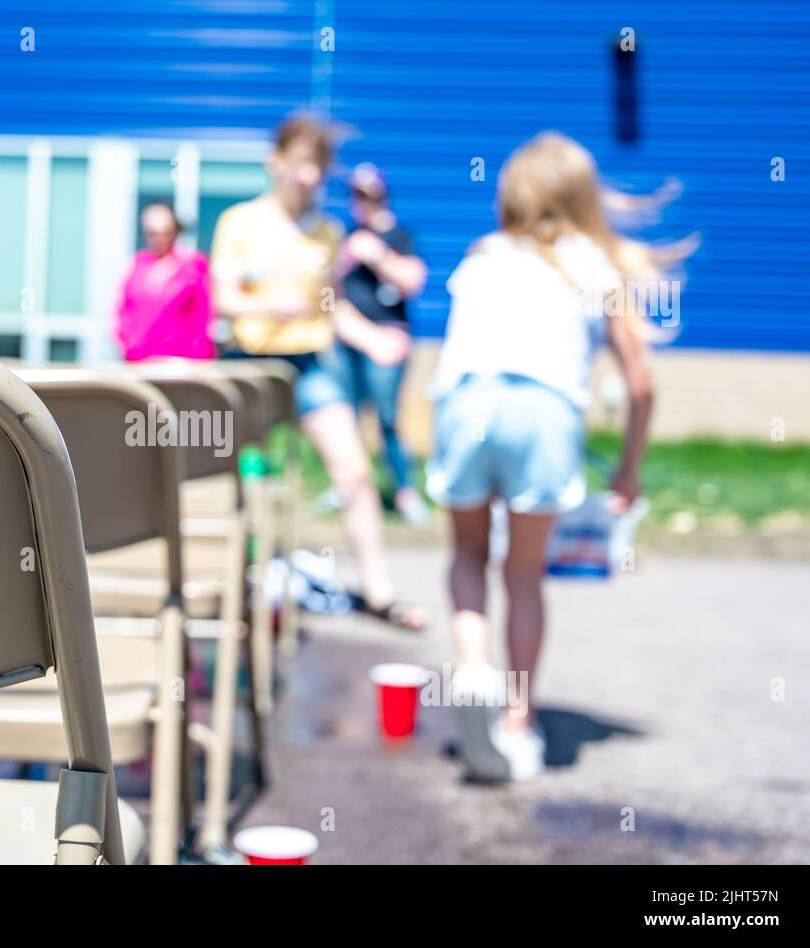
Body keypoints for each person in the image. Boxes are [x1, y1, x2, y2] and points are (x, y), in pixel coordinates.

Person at [428, 132, 687, 781]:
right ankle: (517, 718)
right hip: (543, 413)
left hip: (465, 402)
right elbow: (642, 383)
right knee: (522, 574)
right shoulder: (596, 264)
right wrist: (627, 470)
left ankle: (472, 666)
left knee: (465, 551)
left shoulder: (483, 253)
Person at [211, 115, 426, 630]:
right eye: (301, 165)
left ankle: (378, 590)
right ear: (276, 162)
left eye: (319, 168)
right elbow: (222, 299)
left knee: (354, 470)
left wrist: (374, 338)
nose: (309, 178)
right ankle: (229, 590)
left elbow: (332, 308)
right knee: (236, 484)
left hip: (307, 366)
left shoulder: (328, 233)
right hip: (248, 367)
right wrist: (265, 308)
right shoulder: (240, 222)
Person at [332, 162, 431, 524]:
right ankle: (350, 488)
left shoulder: (398, 237)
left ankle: (404, 492)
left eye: (368, 195)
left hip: (389, 341)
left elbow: (413, 281)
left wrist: (377, 256)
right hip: (350, 338)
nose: (362, 202)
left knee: (389, 418)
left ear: (382, 196)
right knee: (347, 415)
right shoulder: (343, 236)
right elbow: (329, 293)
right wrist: (340, 263)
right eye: (356, 195)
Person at [115, 201, 214, 361]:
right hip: (140, 361)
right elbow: (124, 313)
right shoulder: (136, 266)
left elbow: (204, 316)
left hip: (182, 364)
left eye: (166, 232)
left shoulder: (193, 266)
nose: (160, 239)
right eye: (153, 233)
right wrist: (127, 346)